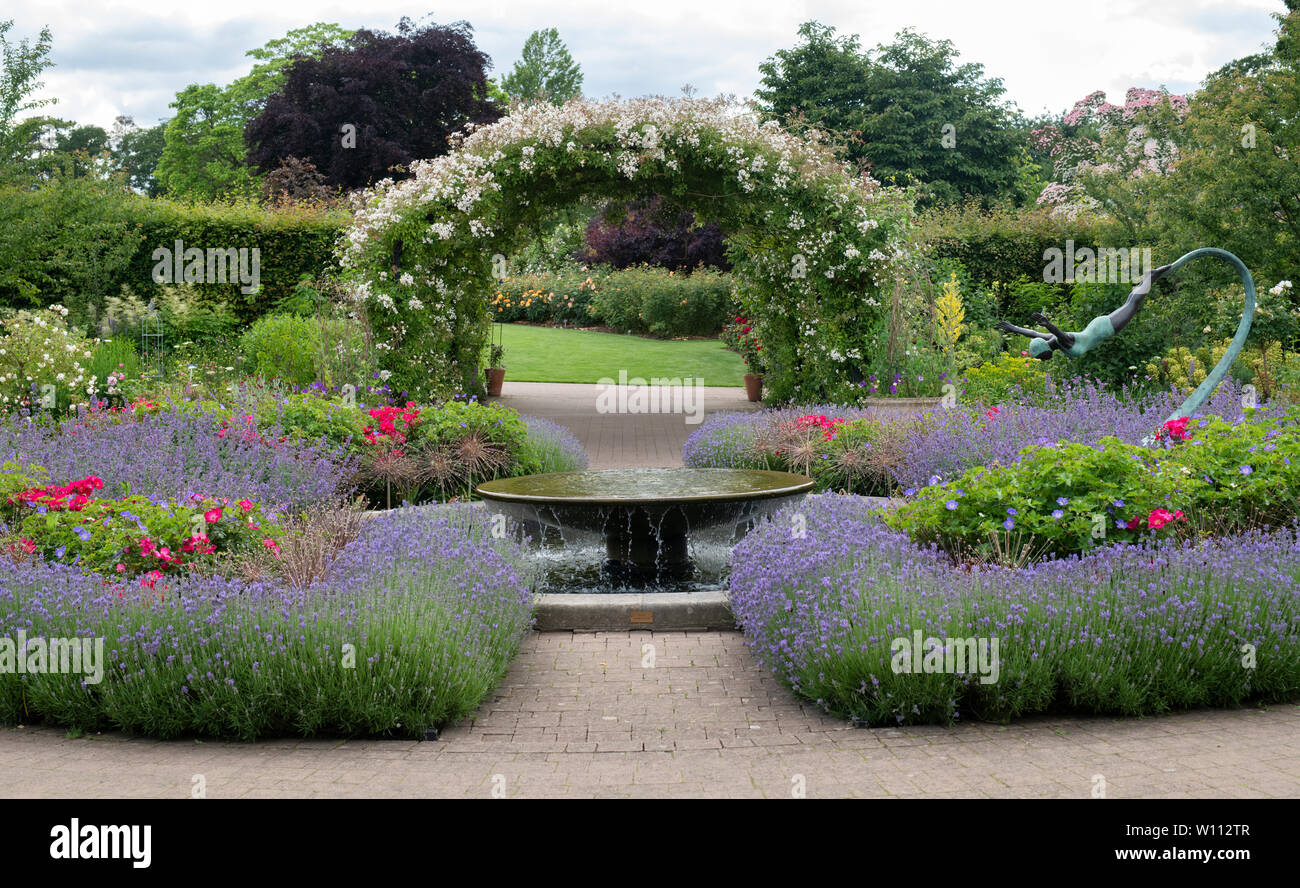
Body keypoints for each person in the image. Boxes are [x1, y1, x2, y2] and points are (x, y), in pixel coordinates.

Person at [996, 264, 1172, 360]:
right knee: (1129, 302)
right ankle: (1148, 278)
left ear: (1044, 351)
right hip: (1098, 327)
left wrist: (1048, 324)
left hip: (1104, 328)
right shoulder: (1052, 342)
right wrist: (1013, 328)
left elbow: (1059, 333)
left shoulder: (1062, 341)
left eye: (1041, 358)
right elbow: (1033, 333)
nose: (1042, 360)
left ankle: (1151, 276)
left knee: (1133, 304)